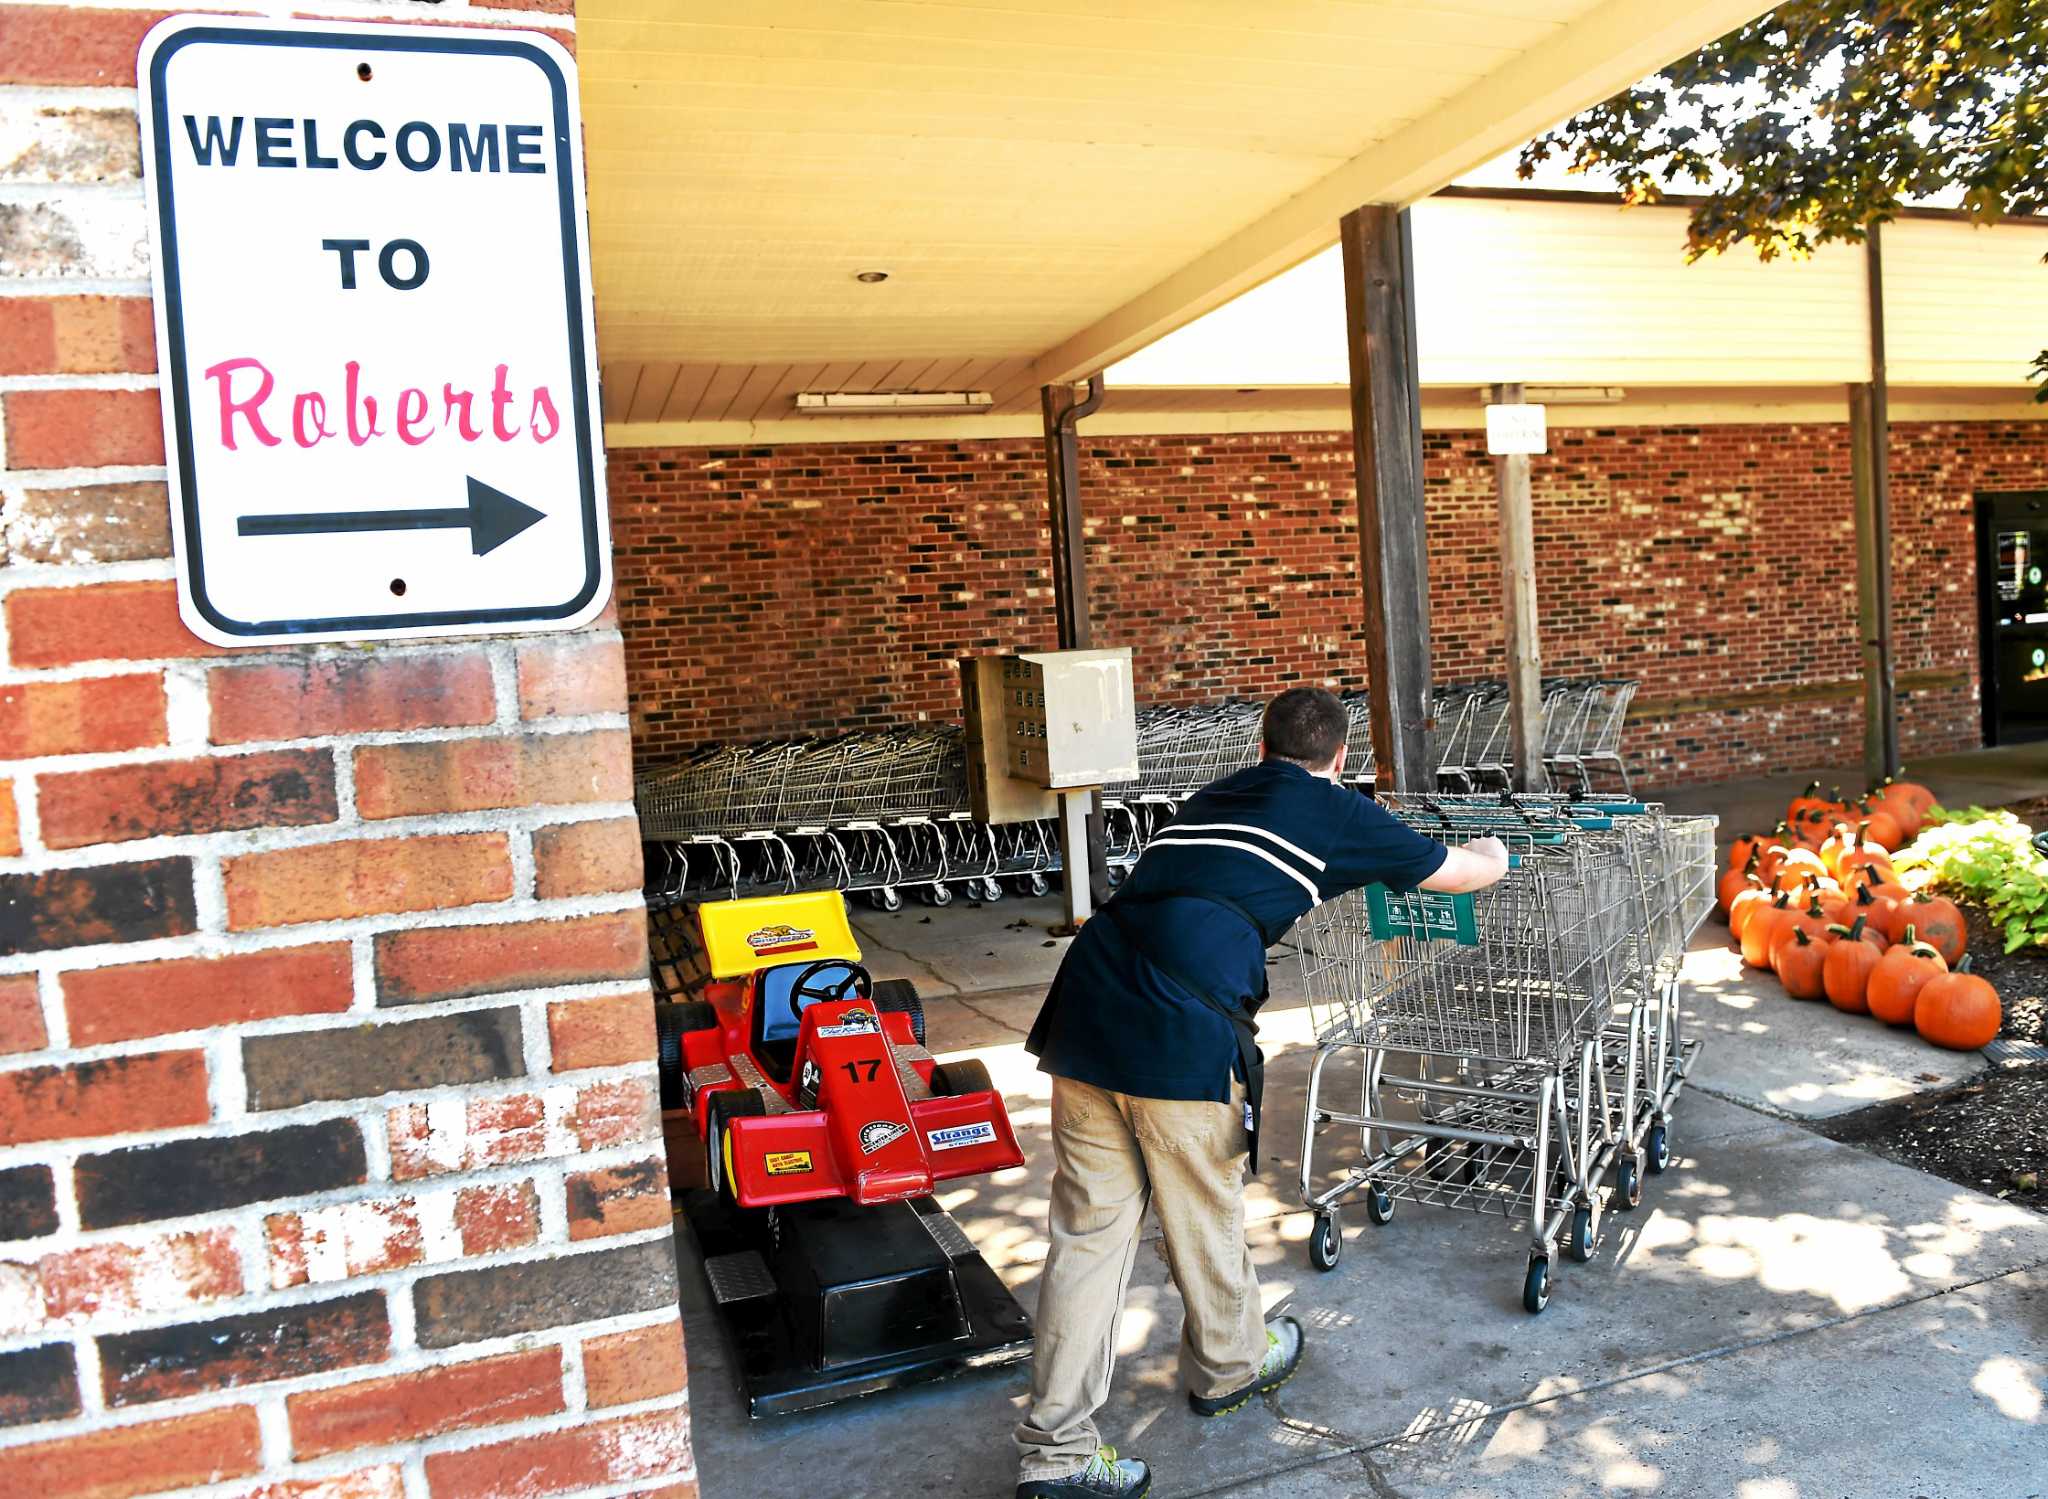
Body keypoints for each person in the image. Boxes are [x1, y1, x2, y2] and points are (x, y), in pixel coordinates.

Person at [1012, 687, 1511, 1499]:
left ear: (1261, 746)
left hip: (1088, 1006)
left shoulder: (1214, 799)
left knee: (1088, 1235)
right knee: (1201, 1207)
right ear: (1340, 756)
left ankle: (1056, 1452)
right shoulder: (1337, 810)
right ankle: (1232, 1364)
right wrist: (1498, 852)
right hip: (1180, 1028)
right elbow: (1457, 874)